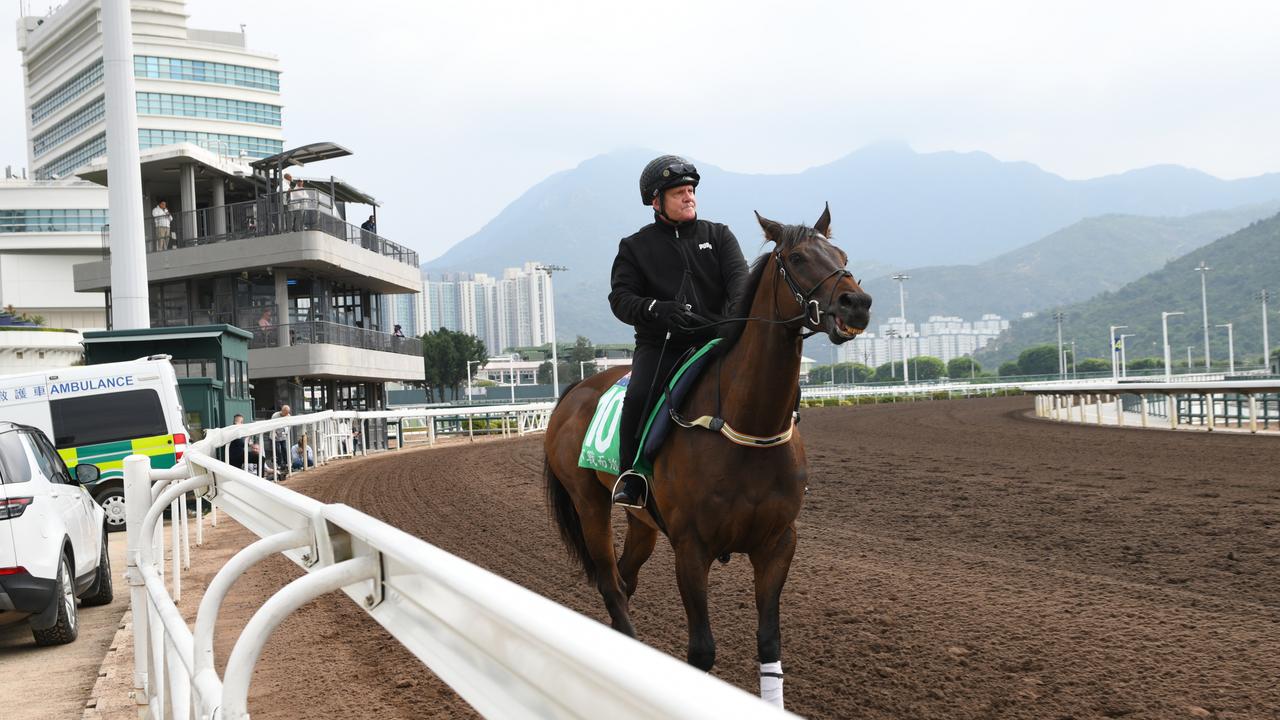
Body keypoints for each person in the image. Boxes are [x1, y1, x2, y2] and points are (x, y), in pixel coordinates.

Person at [607, 155, 748, 508]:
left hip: (719, 341)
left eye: (691, 191)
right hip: (663, 346)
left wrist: (732, 323)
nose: (689, 197)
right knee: (638, 395)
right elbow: (620, 299)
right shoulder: (635, 247)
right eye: (679, 193)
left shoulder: (719, 235)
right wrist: (657, 309)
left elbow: (741, 286)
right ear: (656, 202)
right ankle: (632, 476)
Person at [270, 404, 292, 478]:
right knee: (277, 450)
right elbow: (272, 425)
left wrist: (286, 432)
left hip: (283, 435)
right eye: (285, 412)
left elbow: (289, 426)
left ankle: (286, 463)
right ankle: (279, 464)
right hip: (275, 435)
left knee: (284, 449)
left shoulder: (288, 416)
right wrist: (274, 433)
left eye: (287, 413)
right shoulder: (275, 415)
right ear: (282, 410)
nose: (286, 414)